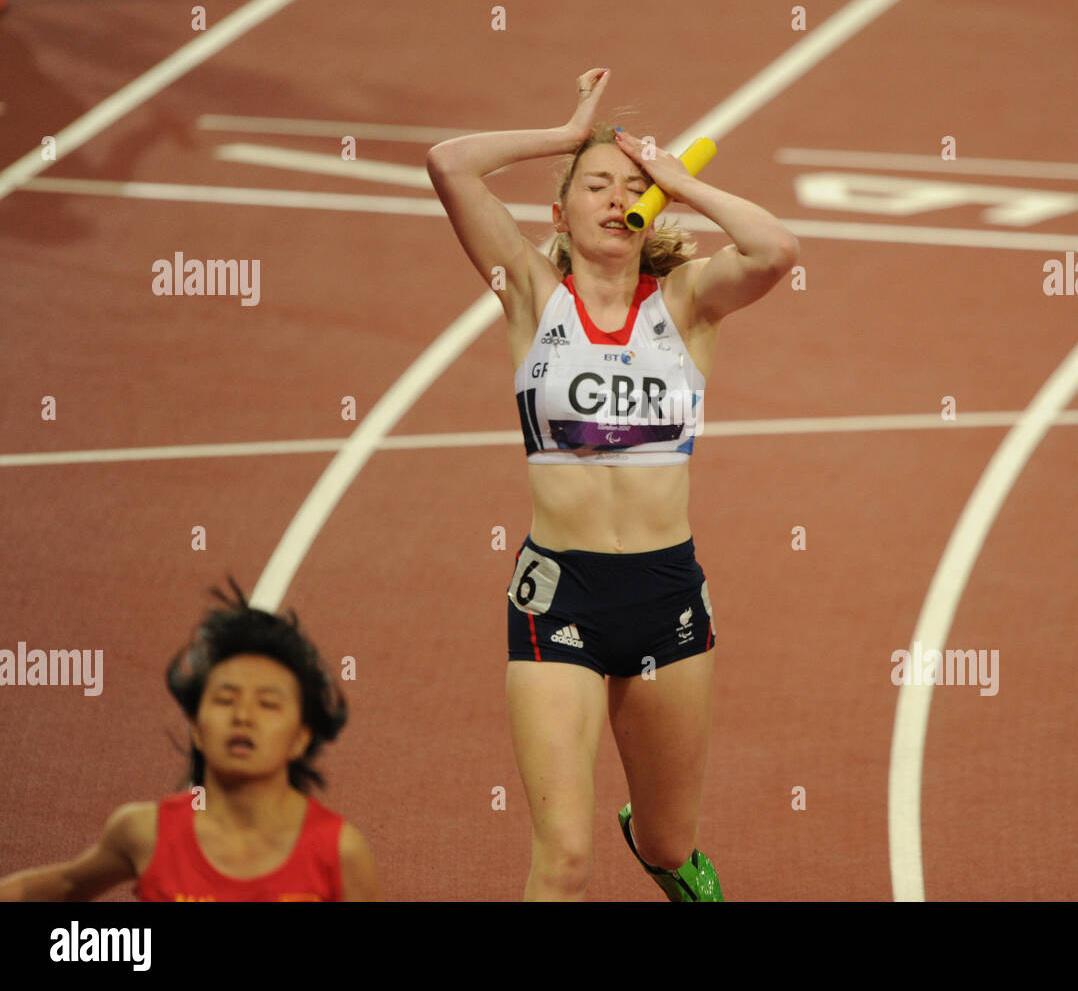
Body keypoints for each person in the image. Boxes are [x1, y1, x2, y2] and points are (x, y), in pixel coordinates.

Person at [426, 68, 799, 901]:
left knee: (670, 843)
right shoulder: (529, 294)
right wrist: (566, 138)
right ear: (558, 213)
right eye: (593, 185)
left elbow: (776, 252)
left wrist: (684, 184)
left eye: (630, 186)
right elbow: (449, 163)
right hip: (560, 593)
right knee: (562, 860)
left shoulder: (688, 303)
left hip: (665, 588)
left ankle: (664, 851)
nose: (612, 197)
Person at [0, 579, 380, 902]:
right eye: (225, 699)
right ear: (197, 728)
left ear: (299, 739)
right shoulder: (144, 833)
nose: (243, 716)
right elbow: (66, 884)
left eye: (268, 704)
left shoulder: (340, 855)